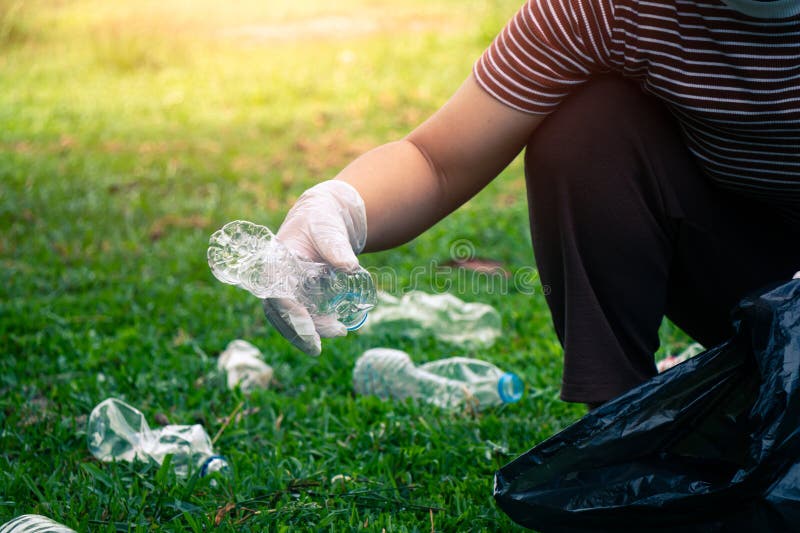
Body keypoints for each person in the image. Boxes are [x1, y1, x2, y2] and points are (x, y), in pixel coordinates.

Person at [262, 0, 800, 407]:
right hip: (753, 276)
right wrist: (338, 208)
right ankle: (625, 426)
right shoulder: (610, 9)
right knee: (588, 127)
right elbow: (436, 159)